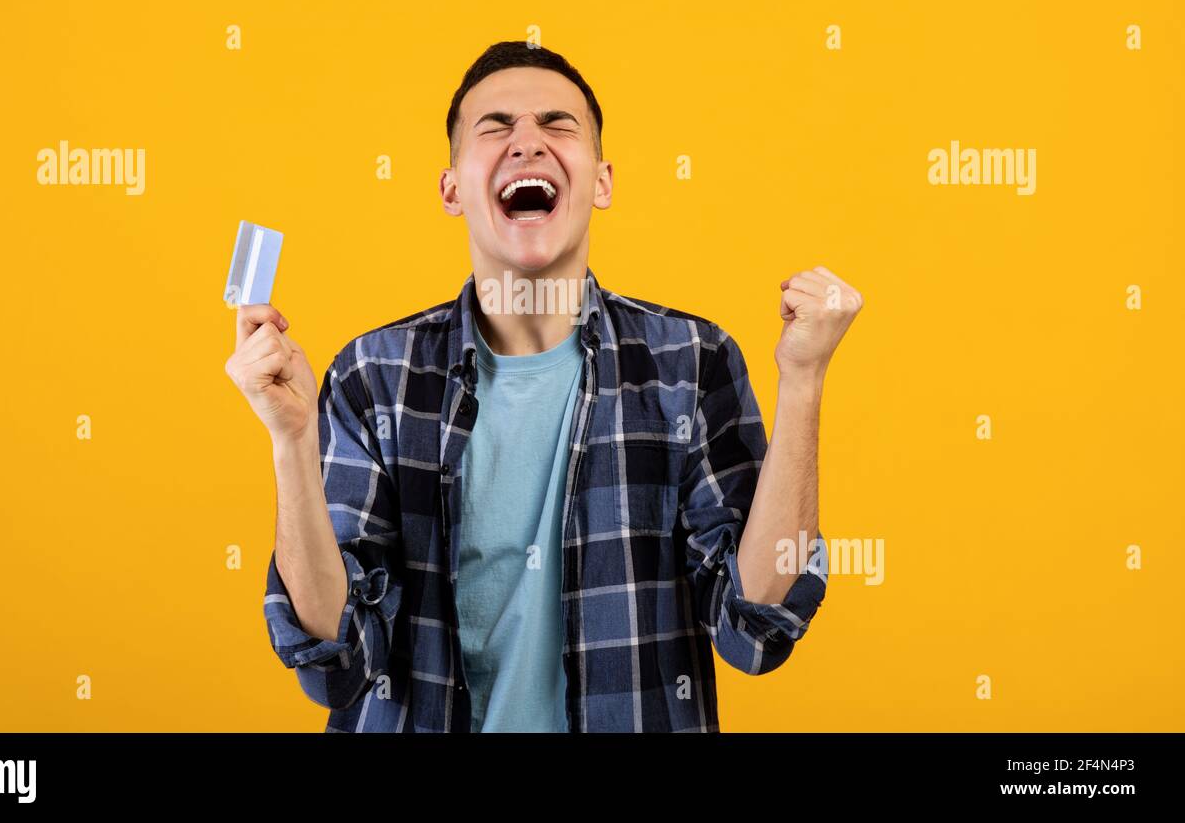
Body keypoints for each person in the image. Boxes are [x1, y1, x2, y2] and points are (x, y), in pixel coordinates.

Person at [223, 41, 863, 732]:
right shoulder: (374, 376)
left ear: (603, 182)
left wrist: (803, 382)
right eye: (495, 126)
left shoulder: (691, 362)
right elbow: (333, 660)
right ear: (451, 189)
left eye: (558, 125)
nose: (528, 142)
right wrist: (290, 442)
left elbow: (756, 628)